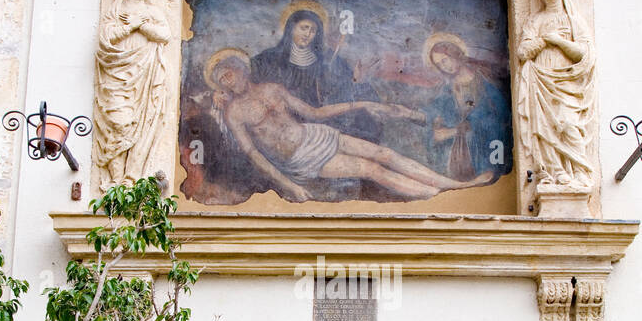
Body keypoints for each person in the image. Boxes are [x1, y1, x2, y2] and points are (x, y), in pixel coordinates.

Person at [209, 52, 493, 203]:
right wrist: (289, 185)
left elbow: (314, 112)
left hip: (316, 135)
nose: (227, 81)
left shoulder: (273, 89)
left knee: (384, 153)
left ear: (241, 69)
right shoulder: (235, 112)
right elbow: (254, 155)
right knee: (372, 170)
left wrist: (359, 104)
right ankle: (434, 196)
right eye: (221, 79)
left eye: (228, 73)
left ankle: (455, 185)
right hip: (300, 158)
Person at [251, 7, 381, 141]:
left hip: (319, 115)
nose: (307, 34)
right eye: (304, 28)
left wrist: (356, 79)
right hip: (284, 116)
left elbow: (341, 89)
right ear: (291, 28)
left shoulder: (327, 59)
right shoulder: (269, 58)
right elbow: (250, 79)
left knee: (365, 124)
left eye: (312, 30)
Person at [94, 0, 171, 189]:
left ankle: (131, 177)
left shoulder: (153, 12)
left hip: (144, 73)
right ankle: (116, 179)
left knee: (142, 123)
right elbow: (106, 38)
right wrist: (130, 27)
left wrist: (142, 26)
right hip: (117, 72)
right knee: (119, 122)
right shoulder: (115, 11)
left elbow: (164, 35)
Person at [516, 0, 595, 188]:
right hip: (541, 80)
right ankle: (556, 172)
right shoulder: (536, 20)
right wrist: (545, 40)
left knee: (569, 123)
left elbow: (583, 53)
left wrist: (559, 41)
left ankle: (580, 171)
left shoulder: (573, 20)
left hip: (567, 81)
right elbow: (523, 52)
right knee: (545, 128)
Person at [423, 33, 512, 181]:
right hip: (459, 156)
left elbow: (498, 119)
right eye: (439, 65)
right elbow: (435, 113)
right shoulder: (446, 90)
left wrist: (455, 131)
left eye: (445, 60)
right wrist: (436, 124)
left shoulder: (484, 82)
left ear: (456, 54)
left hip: (486, 152)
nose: (444, 67)